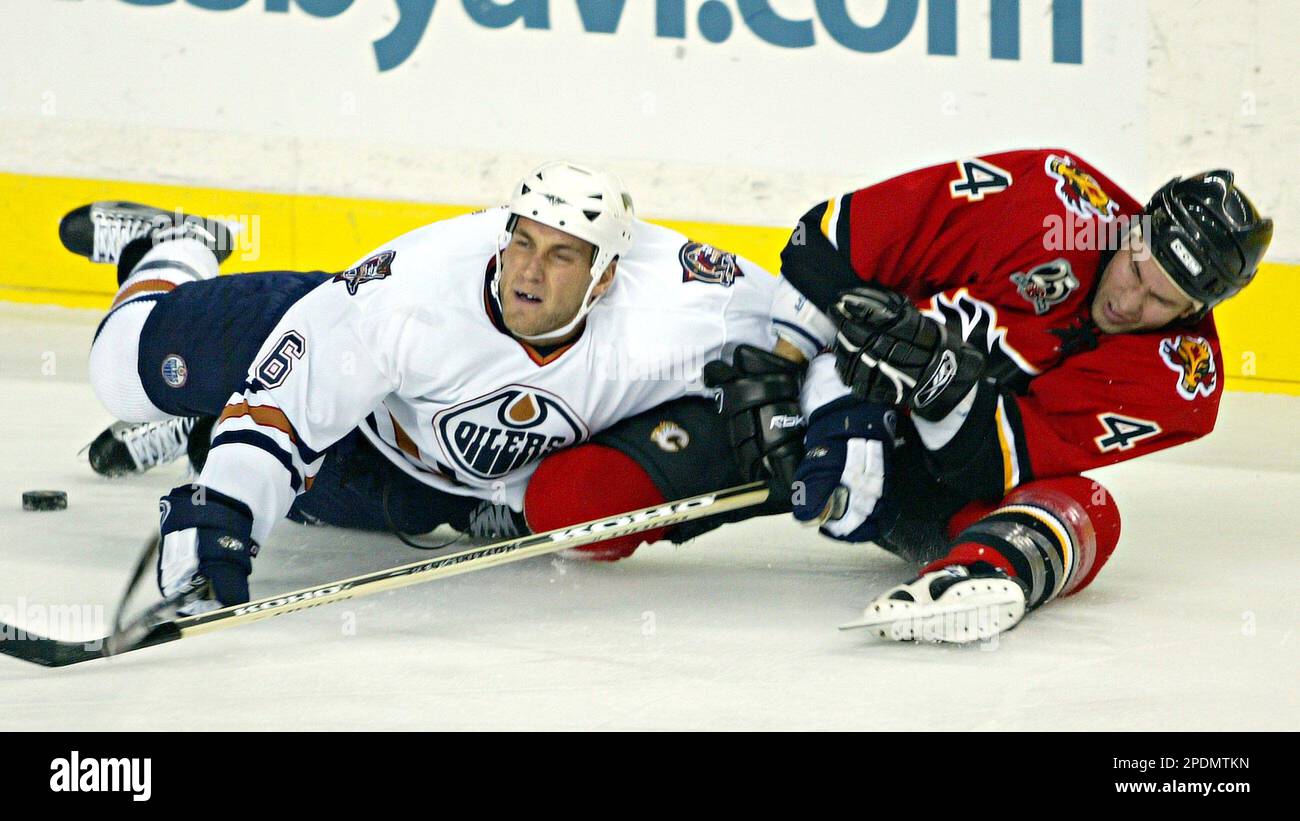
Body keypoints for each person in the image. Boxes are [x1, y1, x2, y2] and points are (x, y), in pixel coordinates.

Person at [67, 161, 829, 613]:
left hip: (405, 486)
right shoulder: (411, 296)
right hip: (313, 351)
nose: (528, 270)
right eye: (521, 241)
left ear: (604, 279)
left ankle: (198, 432)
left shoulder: (680, 296)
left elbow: (819, 319)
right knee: (119, 369)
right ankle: (172, 247)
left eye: (561, 256)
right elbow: (284, 411)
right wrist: (224, 509)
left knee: (290, 486)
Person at [764, 148, 1274, 642]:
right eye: (1136, 270)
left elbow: (988, 467)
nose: (1127, 301)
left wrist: (939, 386)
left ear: (1194, 310)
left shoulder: (1180, 382)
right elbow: (831, 241)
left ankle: (975, 576)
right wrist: (778, 382)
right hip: (829, 388)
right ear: (1134, 227)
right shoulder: (1051, 197)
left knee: (1092, 509)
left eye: (1162, 299)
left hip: (920, 483)